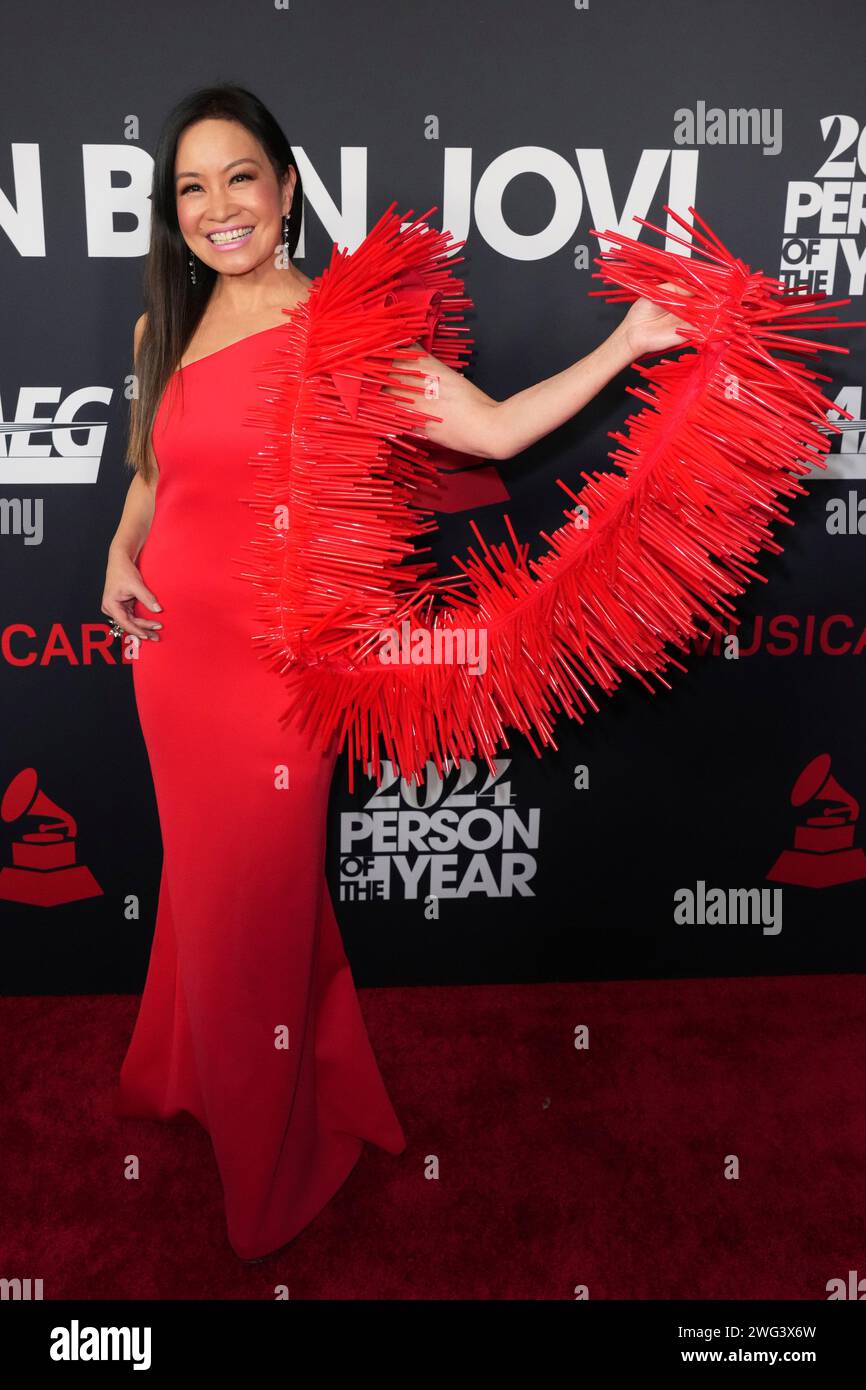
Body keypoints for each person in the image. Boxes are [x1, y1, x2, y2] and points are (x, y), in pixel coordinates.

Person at [103, 82, 691, 1262]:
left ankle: (268, 1161)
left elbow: (492, 432)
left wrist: (628, 343)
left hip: (277, 680)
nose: (219, 208)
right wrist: (116, 560)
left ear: (283, 186)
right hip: (168, 660)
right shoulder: (158, 329)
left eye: (240, 179)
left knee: (253, 909)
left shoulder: (339, 326)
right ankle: (193, 1069)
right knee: (206, 893)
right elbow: (153, 481)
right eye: (190, 189)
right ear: (171, 213)